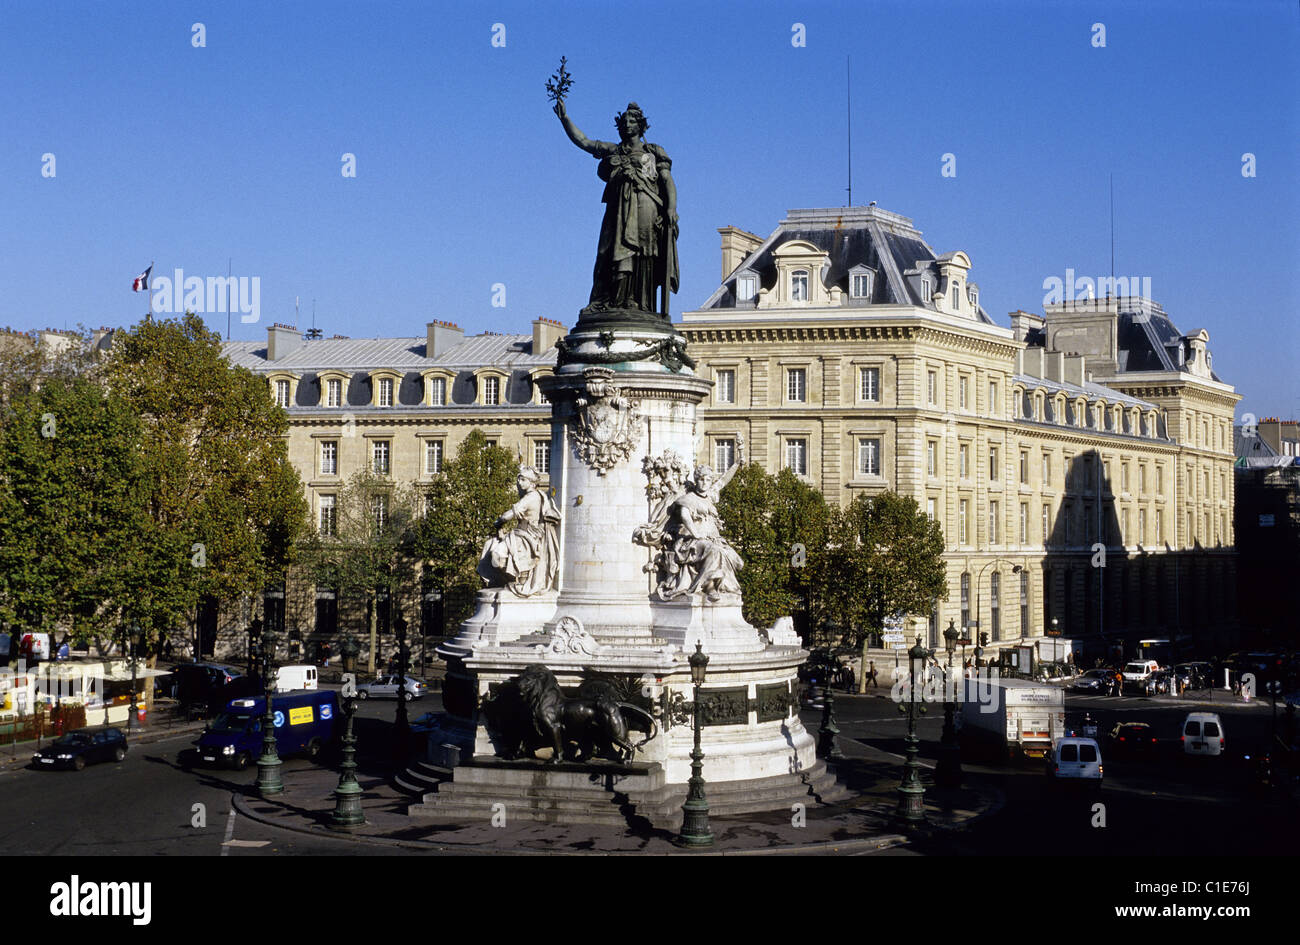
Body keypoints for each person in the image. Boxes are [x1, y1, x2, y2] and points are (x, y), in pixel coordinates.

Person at [554, 98, 679, 318]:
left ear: (641, 126)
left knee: (643, 255)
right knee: (608, 251)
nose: (627, 124)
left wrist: (671, 209)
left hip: (646, 208)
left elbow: (667, 181)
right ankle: (609, 299)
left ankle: (639, 303)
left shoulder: (653, 152)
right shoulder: (613, 150)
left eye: (632, 120)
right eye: (624, 121)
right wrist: (565, 118)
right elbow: (584, 141)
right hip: (618, 209)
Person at [478, 466, 562, 598]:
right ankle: (510, 578)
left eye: (523, 480)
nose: (519, 483)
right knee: (490, 545)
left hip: (527, 535)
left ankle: (514, 579)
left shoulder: (531, 497)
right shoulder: (535, 495)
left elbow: (508, 515)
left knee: (496, 553)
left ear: (531, 482)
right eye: (519, 480)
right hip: (521, 532)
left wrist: (498, 522)